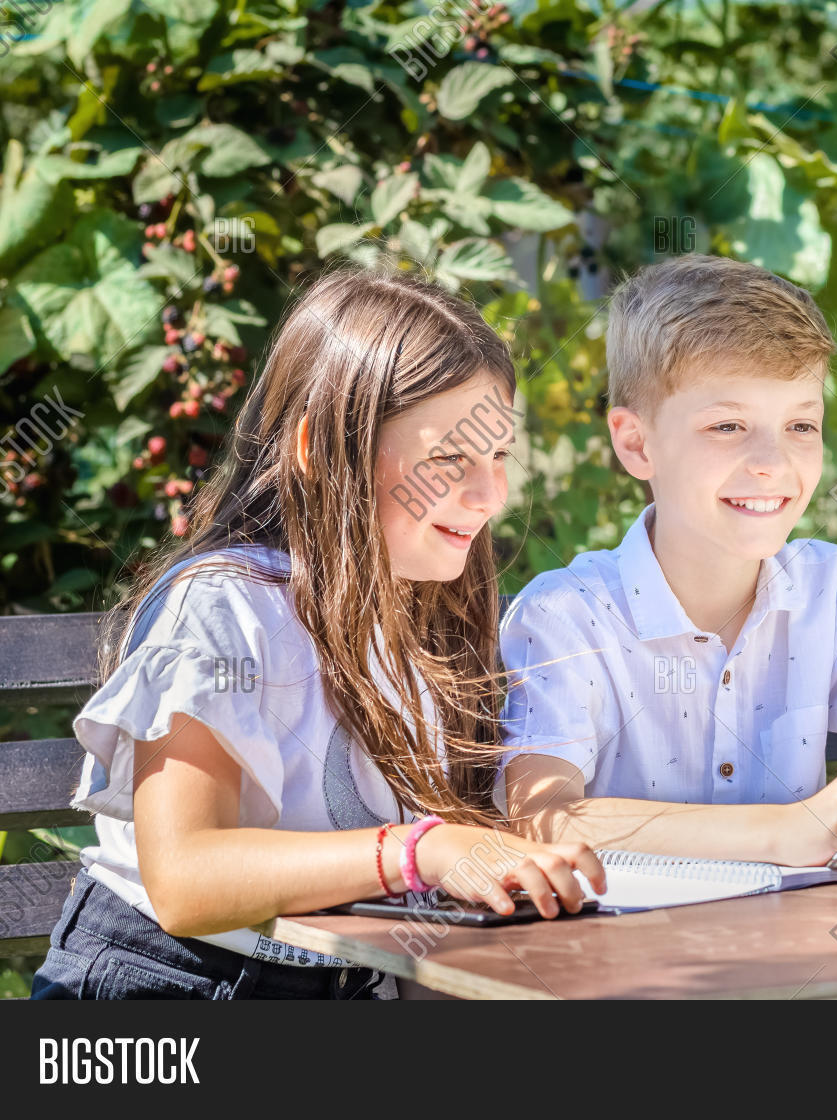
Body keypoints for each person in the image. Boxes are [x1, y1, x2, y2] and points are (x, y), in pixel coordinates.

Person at [32, 269, 604, 1000]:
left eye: (497, 455)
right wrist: (421, 853)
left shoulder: (426, 612)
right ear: (318, 448)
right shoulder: (226, 606)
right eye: (447, 459)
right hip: (163, 986)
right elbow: (184, 879)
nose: (490, 494)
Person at [501, 255, 837, 866]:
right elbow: (542, 820)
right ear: (637, 444)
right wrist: (784, 831)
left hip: (799, 947)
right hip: (624, 953)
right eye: (727, 426)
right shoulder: (566, 617)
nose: (772, 461)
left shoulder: (835, 589)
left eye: (801, 425)